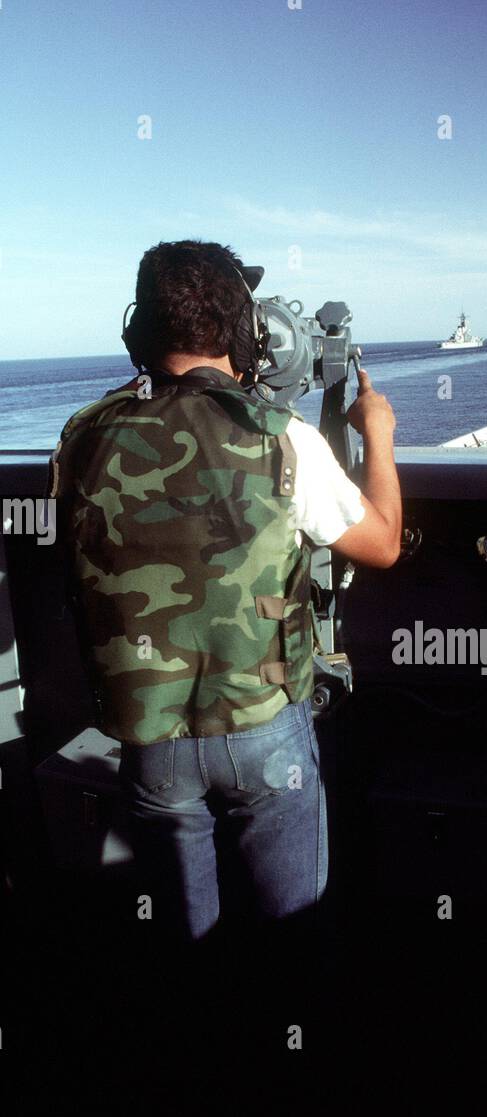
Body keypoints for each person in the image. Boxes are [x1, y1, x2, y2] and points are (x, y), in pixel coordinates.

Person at [49, 239, 402, 943]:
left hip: (150, 737)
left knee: (183, 937)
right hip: (263, 727)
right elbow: (383, 543)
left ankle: (201, 1039)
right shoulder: (284, 438)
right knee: (290, 931)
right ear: (244, 336)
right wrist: (379, 435)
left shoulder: (82, 436)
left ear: (137, 333)